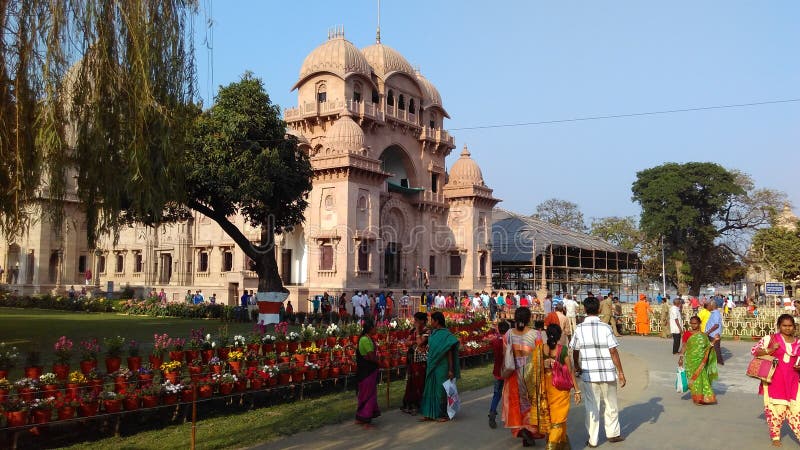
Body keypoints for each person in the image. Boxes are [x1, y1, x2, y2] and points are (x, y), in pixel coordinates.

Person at [570, 296, 626, 447]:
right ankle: (613, 434)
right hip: (608, 373)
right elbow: (613, 351)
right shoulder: (606, 328)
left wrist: (576, 365)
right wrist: (620, 372)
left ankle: (593, 440)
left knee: (591, 407)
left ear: (584, 310)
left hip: (589, 374)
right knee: (611, 404)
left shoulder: (579, 329)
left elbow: (575, 350)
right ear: (599, 309)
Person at [751, 314, 800, 447]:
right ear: (779, 326)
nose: (787, 328)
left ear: (794, 327)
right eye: (784, 325)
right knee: (776, 409)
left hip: (794, 381)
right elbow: (755, 351)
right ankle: (775, 436)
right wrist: (771, 349)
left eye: (790, 326)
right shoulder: (770, 339)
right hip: (774, 382)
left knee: (796, 410)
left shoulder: (798, 343)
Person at [532, 323, 582, 449]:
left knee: (554, 418)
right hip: (560, 390)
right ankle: (551, 446)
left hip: (544, 388)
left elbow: (533, 368)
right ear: (559, 336)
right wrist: (577, 390)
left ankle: (563, 444)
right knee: (558, 420)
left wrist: (544, 364)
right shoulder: (563, 350)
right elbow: (570, 371)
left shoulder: (540, 349)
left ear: (547, 335)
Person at [501, 307, 540, 446]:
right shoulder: (536, 334)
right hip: (530, 374)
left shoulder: (508, 334)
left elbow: (505, 355)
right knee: (530, 404)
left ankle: (522, 430)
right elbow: (539, 357)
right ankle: (528, 430)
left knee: (517, 404)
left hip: (514, 375)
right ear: (529, 318)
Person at [420, 311, 460, 422]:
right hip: (432, 365)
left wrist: (451, 369)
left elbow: (449, 353)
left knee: (440, 391)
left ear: (437, 321)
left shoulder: (446, 335)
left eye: (432, 320)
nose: (430, 322)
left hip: (442, 366)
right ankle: (429, 413)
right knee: (429, 388)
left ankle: (442, 414)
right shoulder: (433, 334)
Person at [677, 316, 718, 405]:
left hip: (701, 361)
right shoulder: (687, 334)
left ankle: (702, 398)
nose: (693, 325)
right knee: (694, 379)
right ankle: (697, 397)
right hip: (690, 361)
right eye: (691, 323)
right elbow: (684, 346)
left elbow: (707, 347)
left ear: (699, 323)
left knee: (701, 378)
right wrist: (681, 357)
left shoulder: (703, 335)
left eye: (695, 323)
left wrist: (714, 340)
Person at [402, 312, 429, 415]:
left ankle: (418, 405)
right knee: (411, 382)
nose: (415, 322)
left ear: (422, 321)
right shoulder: (412, 330)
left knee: (420, 382)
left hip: (421, 360)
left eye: (416, 320)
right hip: (412, 359)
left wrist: (417, 332)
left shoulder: (427, 331)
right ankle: (410, 405)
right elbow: (406, 342)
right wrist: (414, 341)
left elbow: (420, 343)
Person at [355, 319, 381, 426]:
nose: (376, 329)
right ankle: (364, 417)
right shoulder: (365, 340)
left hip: (370, 371)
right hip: (366, 372)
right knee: (367, 394)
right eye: (375, 327)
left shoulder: (369, 339)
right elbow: (370, 356)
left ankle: (365, 416)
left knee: (370, 394)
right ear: (370, 329)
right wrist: (380, 361)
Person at [488, 320, 510, 428]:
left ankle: (492, 411)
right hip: (507, 371)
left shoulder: (495, 341)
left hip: (497, 371)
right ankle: (510, 417)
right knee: (509, 394)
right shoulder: (508, 341)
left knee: (496, 394)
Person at [704, 301, 724, 365]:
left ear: (712, 306)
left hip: (714, 334)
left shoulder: (715, 314)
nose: (708, 306)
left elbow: (716, 325)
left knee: (716, 348)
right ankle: (711, 360)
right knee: (711, 347)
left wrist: (708, 332)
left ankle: (719, 361)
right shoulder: (713, 313)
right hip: (711, 334)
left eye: (709, 304)